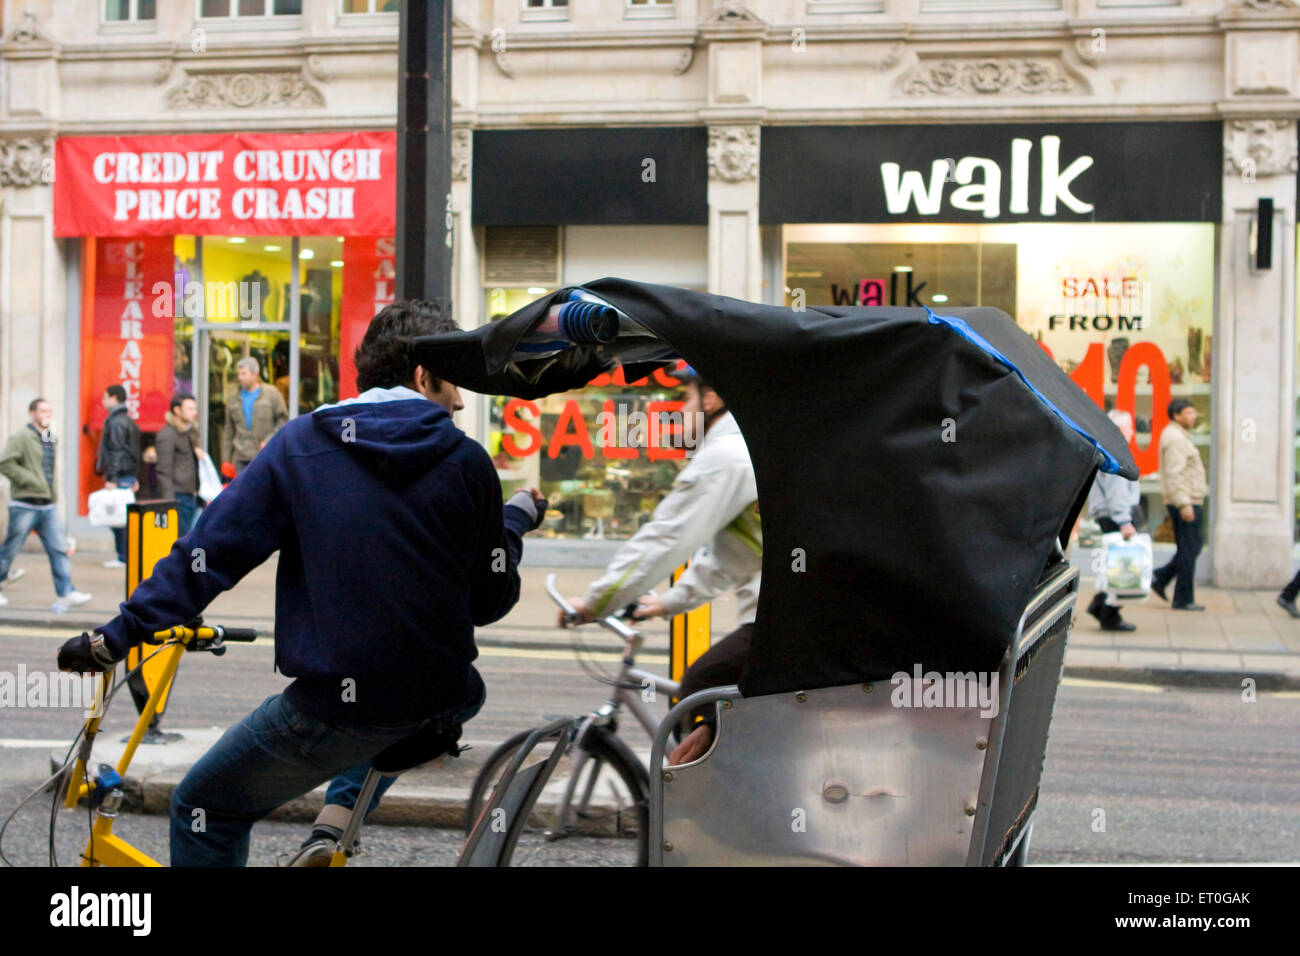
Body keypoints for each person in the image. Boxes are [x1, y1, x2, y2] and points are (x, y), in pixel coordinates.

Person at [57, 299, 547, 867]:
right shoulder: (469, 463)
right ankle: (334, 823)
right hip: (439, 700)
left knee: (205, 809)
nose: (460, 400)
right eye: (453, 385)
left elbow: (207, 556)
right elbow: (490, 601)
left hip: (334, 709)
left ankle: (333, 822)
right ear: (423, 375)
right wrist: (513, 523)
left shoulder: (301, 446)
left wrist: (118, 635)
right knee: (433, 700)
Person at [557, 368, 762, 767]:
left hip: (789, 618)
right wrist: (667, 602)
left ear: (710, 399)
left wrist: (595, 602)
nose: (680, 412)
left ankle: (714, 795)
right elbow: (731, 556)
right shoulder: (746, 446)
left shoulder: (727, 455)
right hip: (793, 611)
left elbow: (665, 537)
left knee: (701, 684)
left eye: (685, 399)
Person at [0, 399, 92, 611]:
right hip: (24, 503)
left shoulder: (50, 436)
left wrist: (53, 495)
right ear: (32, 413)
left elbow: (49, 469)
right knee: (10, 549)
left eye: (49, 410)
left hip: (47, 504)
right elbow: (5, 463)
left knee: (59, 549)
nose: (47, 414)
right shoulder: (22, 437)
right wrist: (29, 479)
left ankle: (66, 592)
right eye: (42, 410)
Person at [1085, 409, 1143, 632]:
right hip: (1114, 516)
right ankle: (1109, 614)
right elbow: (1116, 493)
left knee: (1117, 564)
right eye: (1129, 427)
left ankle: (1100, 605)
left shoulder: (1110, 448)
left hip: (1108, 514)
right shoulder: (1116, 453)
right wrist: (1124, 521)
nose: (1132, 431)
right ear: (1120, 430)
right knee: (1122, 566)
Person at [1152, 398, 1206, 611]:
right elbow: (1175, 474)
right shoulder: (1175, 439)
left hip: (1188, 499)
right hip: (1185, 501)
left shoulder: (1178, 436)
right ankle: (1183, 597)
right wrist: (1184, 504)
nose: (1193, 417)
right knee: (1189, 548)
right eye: (1189, 413)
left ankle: (1161, 578)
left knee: (1191, 547)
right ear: (1177, 416)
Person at [94, 384, 140, 569]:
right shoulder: (126, 420)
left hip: (120, 475)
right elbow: (133, 451)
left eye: (105, 397)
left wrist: (111, 478)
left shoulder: (116, 421)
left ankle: (123, 556)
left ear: (114, 398)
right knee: (121, 517)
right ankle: (124, 555)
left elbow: (117, 451)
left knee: (119, 518)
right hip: (127, 473)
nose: (103, 401)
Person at [221, 357, 288, 477]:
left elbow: (283, 421)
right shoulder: (233, 399)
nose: (239, 377)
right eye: (238, 374)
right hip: (241, 456)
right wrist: (226, 459)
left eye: (243, 373)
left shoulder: (272, 394)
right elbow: (228, 430)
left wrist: (269, 440)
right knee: (242, 493)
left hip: (265, 454)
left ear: (255, 374)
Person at [155, 393, 205, 537]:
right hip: (177, 495)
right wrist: (169, 502)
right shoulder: (168, 434)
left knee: (189, 537)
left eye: (194, 409)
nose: (194, 412)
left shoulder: (190, 432)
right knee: (180, 538)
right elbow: (164, 471)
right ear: (177, 410)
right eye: (190, 409)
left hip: (190, 493)